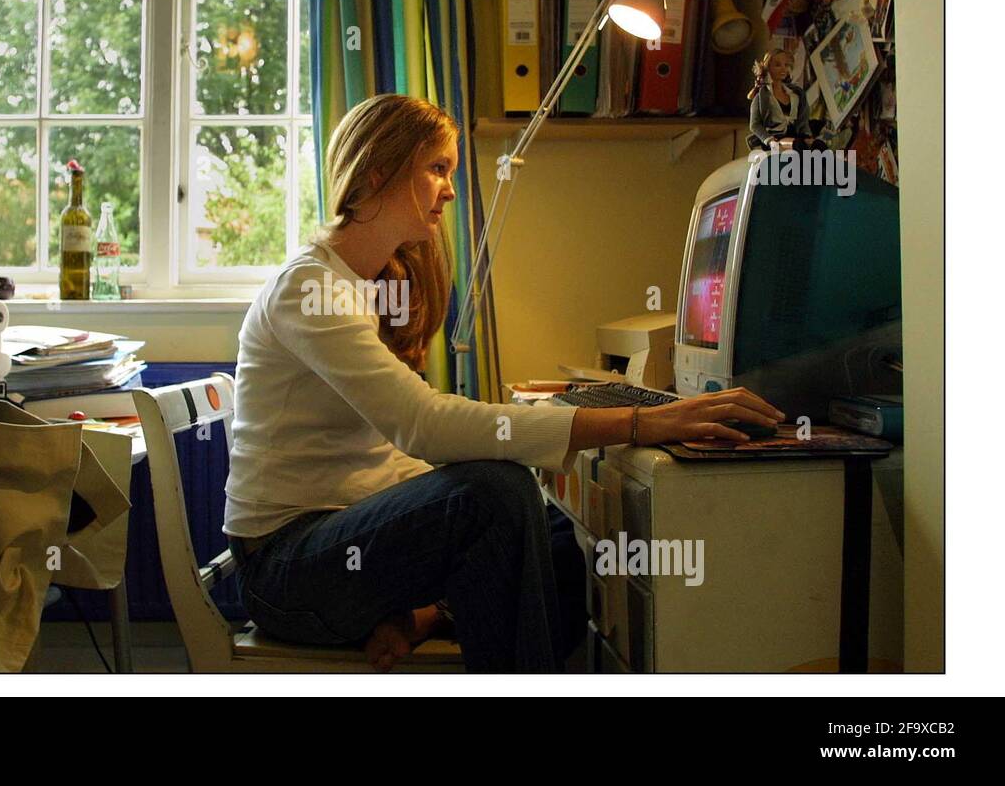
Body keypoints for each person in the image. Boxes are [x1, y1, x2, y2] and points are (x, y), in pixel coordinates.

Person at [223, 94, 783, 673]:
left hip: (340, 543)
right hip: (287, 570)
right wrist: (639, 419)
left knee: (566, 537)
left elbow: (391, 453)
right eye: (437, 169)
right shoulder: (310, 290)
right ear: (378, 171)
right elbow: (422, 425)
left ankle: (423, 618)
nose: (449, 189)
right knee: (496, 497)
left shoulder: (355, 286)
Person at [747, 49, 826, 152]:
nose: (783, 69)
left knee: (819, 146)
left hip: (796, 134)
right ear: (768, 68)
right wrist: (769, 140)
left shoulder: (795, 94)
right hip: (776, 138)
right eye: (778, 65)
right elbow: (754, 125)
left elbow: (803, 120)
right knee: (799, 146)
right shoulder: (761, 98)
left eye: (786, 65)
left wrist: (807, 135)